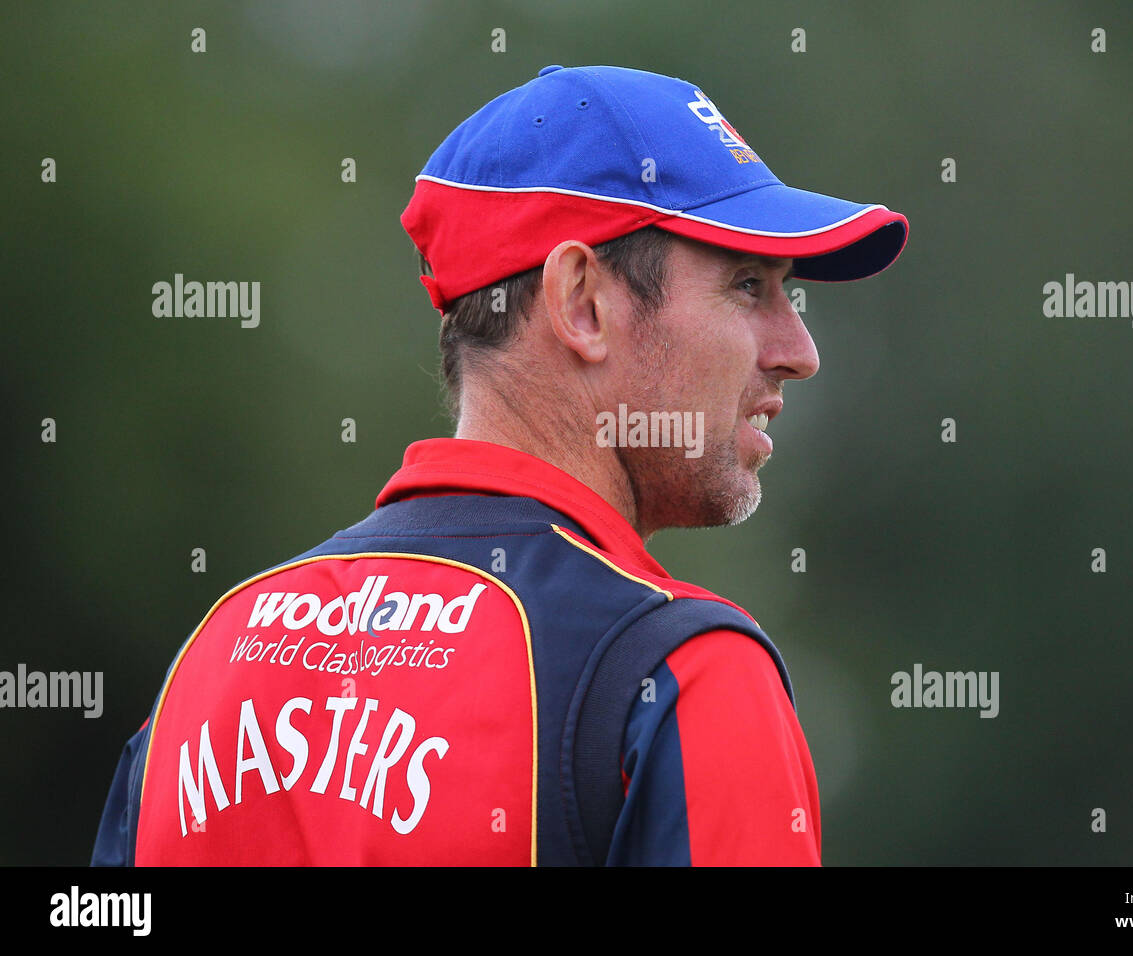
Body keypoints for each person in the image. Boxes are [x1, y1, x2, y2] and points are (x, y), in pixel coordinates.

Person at [91, 64, 907, 866]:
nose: (798, 352)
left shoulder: (208, 666)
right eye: (747, 284)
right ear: (582, 301)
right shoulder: (688, 676)